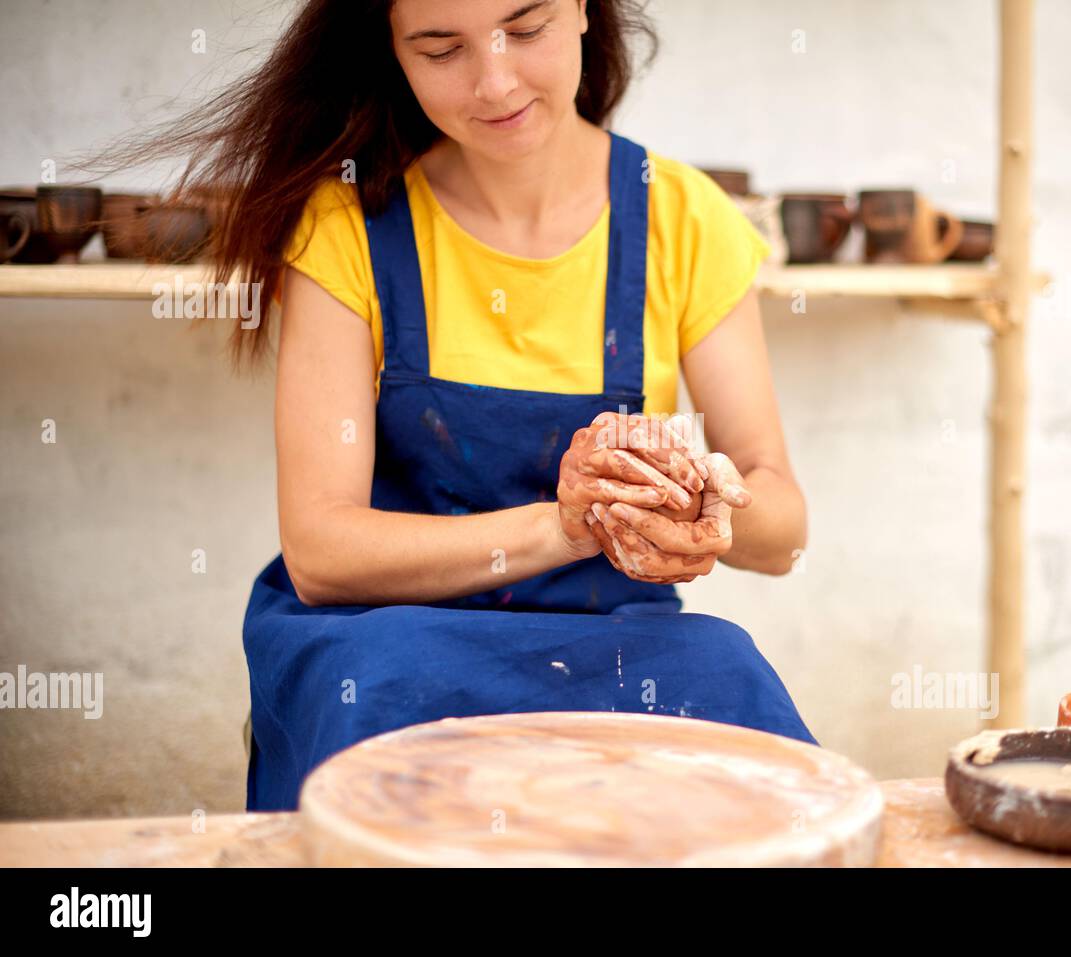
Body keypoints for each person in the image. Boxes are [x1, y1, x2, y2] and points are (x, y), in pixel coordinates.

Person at [130, 0, 817, 811]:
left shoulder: (683, 217)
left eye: (526, 30)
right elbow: (319, 552)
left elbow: (781, 528)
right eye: (440, 48)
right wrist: (565, 526)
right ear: (391, 50)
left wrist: (707, 509)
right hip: (392, 631)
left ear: (586, 13)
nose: (494, 82)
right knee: (377, 681)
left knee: (724, 670)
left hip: (610, 638)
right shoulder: (349, 222)